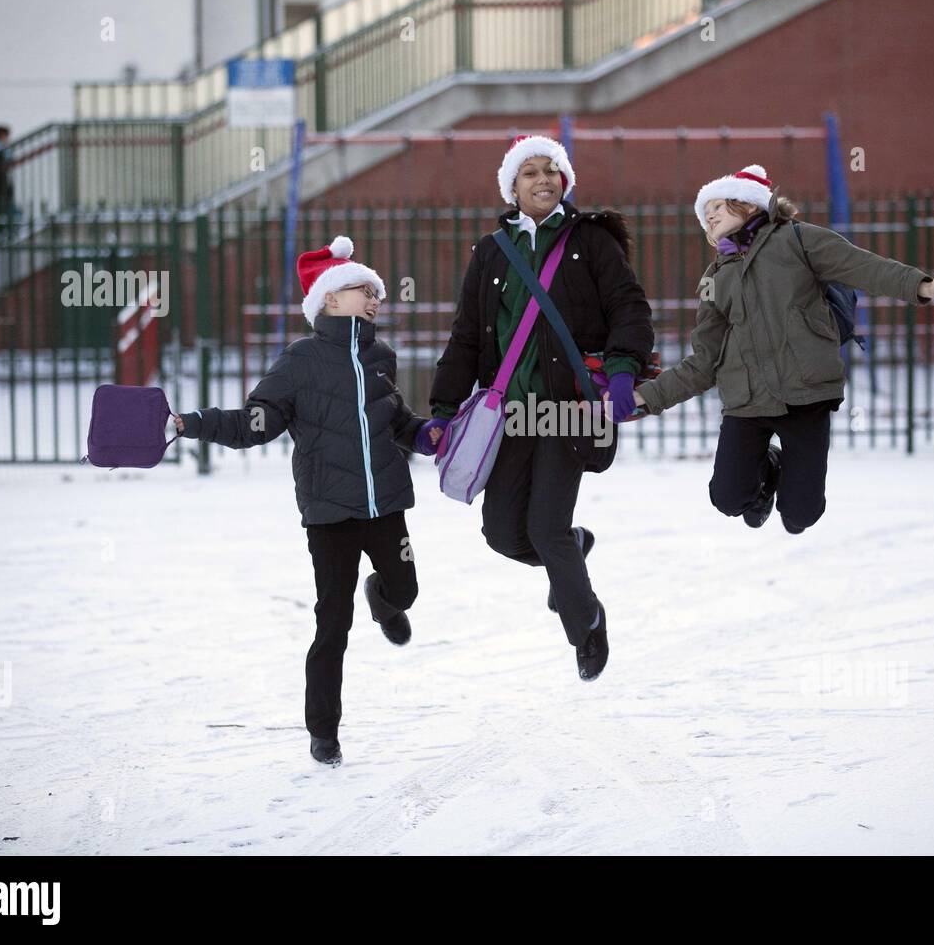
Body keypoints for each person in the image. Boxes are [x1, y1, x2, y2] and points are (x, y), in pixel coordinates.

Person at [173, 235, 443, 765]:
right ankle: (324, 731)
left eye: (377, 293)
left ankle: (382, 598)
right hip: (329, 514)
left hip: (386, 504)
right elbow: (255, 423)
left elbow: (398, 421)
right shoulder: (298, 361)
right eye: (361, 290)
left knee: (405, 590)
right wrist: (191, 424)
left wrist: (426, 435)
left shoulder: (381, 357)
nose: (373, 299)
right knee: (332, 624)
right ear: (328, 299)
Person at [634, 164, 934, 533]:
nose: (709, 215)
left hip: (806, 395)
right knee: (728, 498)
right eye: (705, 213)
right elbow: (702, 361)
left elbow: (865, 267)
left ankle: (785, 476)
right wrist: (646, 397)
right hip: (747, 402)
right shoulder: (715, 279)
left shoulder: (797, 240)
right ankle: (770, 466)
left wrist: (924, 287)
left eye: (718, 205)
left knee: (801, 515)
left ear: (748, 204)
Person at [426, 134, 655, 681]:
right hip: (508, 416)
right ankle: (572, 552)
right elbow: (466, 338)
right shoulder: (491, 252)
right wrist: (442, 406)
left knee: (546, 527)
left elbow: (629, 307)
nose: (543, 180)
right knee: (504, 534)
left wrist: (623, 368)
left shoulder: (590, 240)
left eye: (552, 170)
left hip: (568, 407)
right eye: (530, 172)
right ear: (511, 187)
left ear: (566, 181)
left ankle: (586, 627)